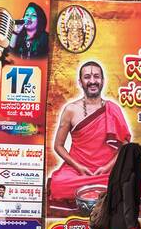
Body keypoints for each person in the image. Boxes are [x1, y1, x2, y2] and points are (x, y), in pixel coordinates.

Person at [47, 61, 132, 211]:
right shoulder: (71, 110)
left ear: (103, 81)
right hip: (78, 170)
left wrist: (107, 167)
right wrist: (78, 166)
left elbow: (124, 145)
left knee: (130, 181)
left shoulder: (112, 109)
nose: (92, 81)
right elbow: (58, 145)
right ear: (80, 82)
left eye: (96, 77)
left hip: (107, 170)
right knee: (58, 184)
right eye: (87, 77)